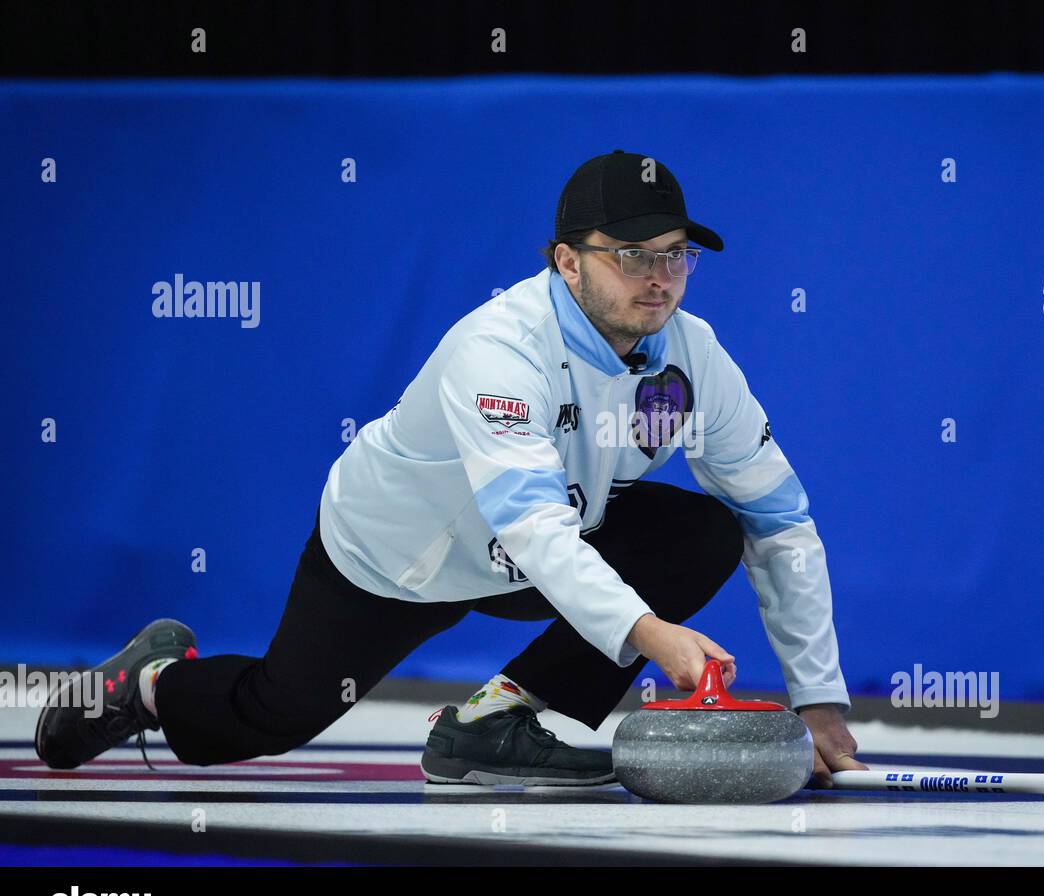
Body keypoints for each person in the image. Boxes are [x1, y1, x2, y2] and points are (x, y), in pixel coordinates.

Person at [36, 149, 868, 788]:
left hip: (542, 547)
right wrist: (651, 636)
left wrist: (818, 702)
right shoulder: (498, 351)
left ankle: (497, 717)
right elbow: (532, 525)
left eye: (676, 253)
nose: (660, 279)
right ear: (566, 261)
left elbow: (781, 519)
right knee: (266, 718)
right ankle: (144, 683)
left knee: (707, 531)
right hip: (396, 555)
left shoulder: (694, 357)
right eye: (631, 255)